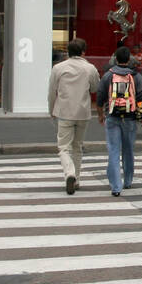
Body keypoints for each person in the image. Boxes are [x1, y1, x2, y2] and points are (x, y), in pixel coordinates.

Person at [47, 38, 100, 195]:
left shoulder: (58, 68)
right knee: (78, 146)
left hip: (64, 111)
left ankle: (69, 173)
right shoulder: (90, 68)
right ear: (83, 52)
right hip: (82, 112)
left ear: (67, 52)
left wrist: (51, 109)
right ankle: (76, 178)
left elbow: (52, 91)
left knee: (64, 147)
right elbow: (95, 87)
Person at [97, 45, 142, 196]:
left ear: (115, 59)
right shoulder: (135, 76)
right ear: (129, 59)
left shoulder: (108, 75)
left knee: (113, 150)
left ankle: (115, 187)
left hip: (112, 117)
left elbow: (100, 97)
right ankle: (128, 181)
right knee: (128, 150)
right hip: (130, 118)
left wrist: (101, 115)